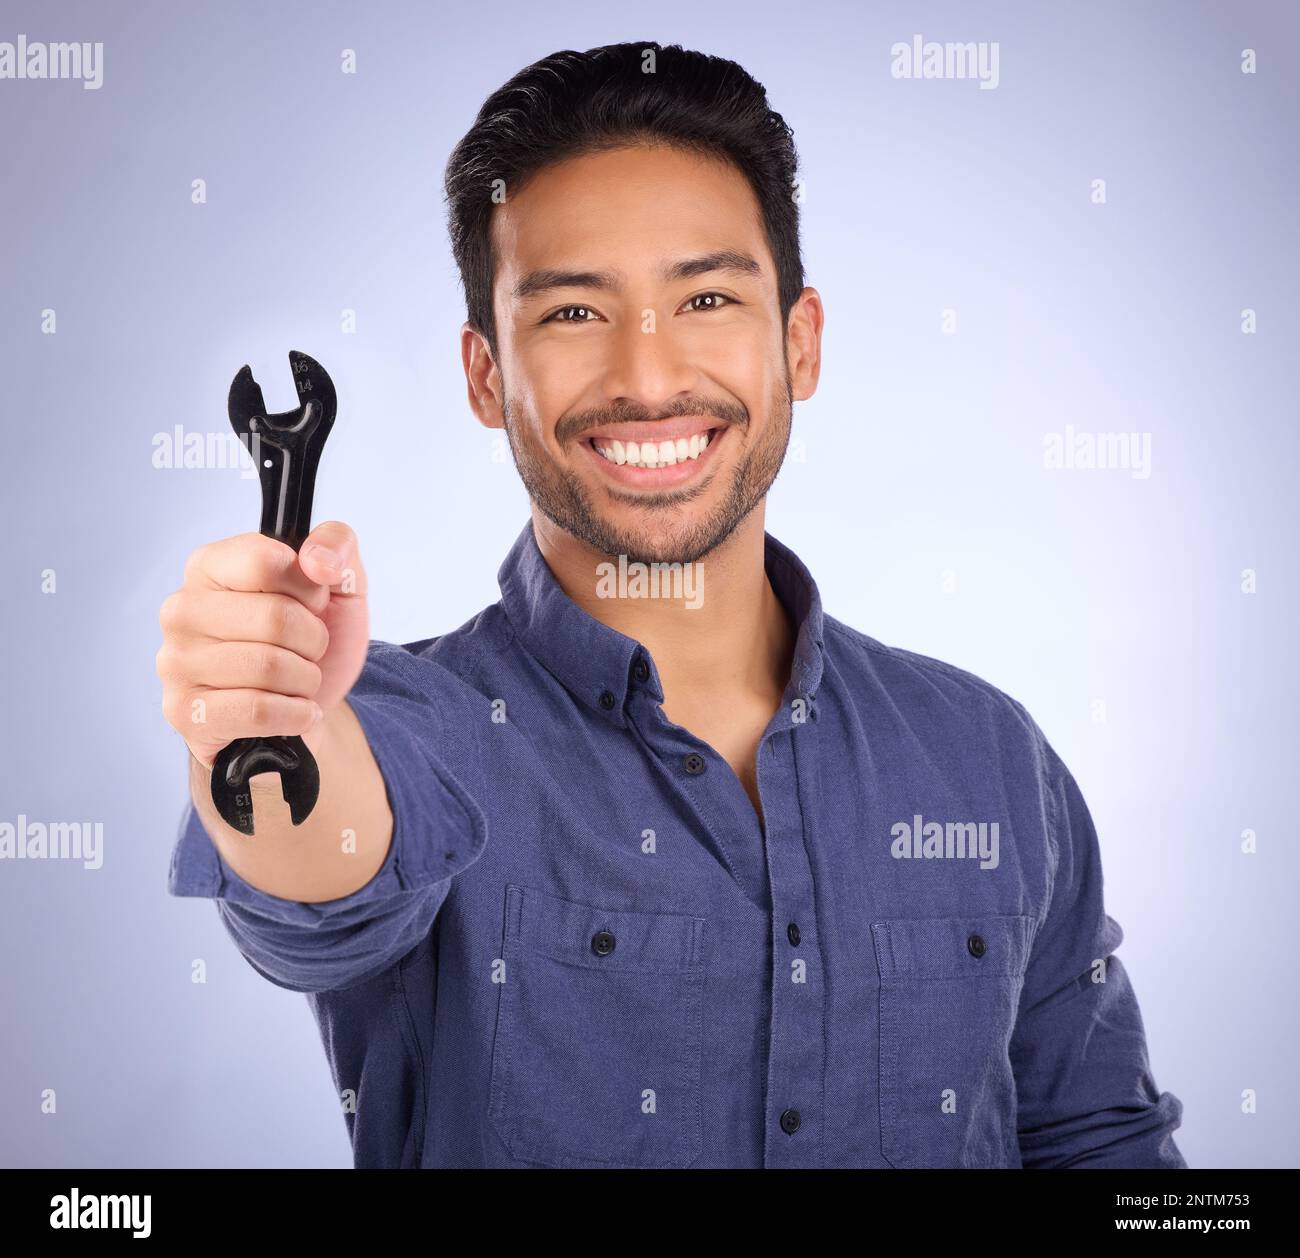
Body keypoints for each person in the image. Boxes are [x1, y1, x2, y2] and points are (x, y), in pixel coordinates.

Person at [157, 40, 1186, 1169]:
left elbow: (1102, 1142)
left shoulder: (986, 755)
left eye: (704, 296)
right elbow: (320, 878)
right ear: (486, 375)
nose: (648, 378)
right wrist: (272, 719)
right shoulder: (404, 722)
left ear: (798, 341)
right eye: (570, 314)